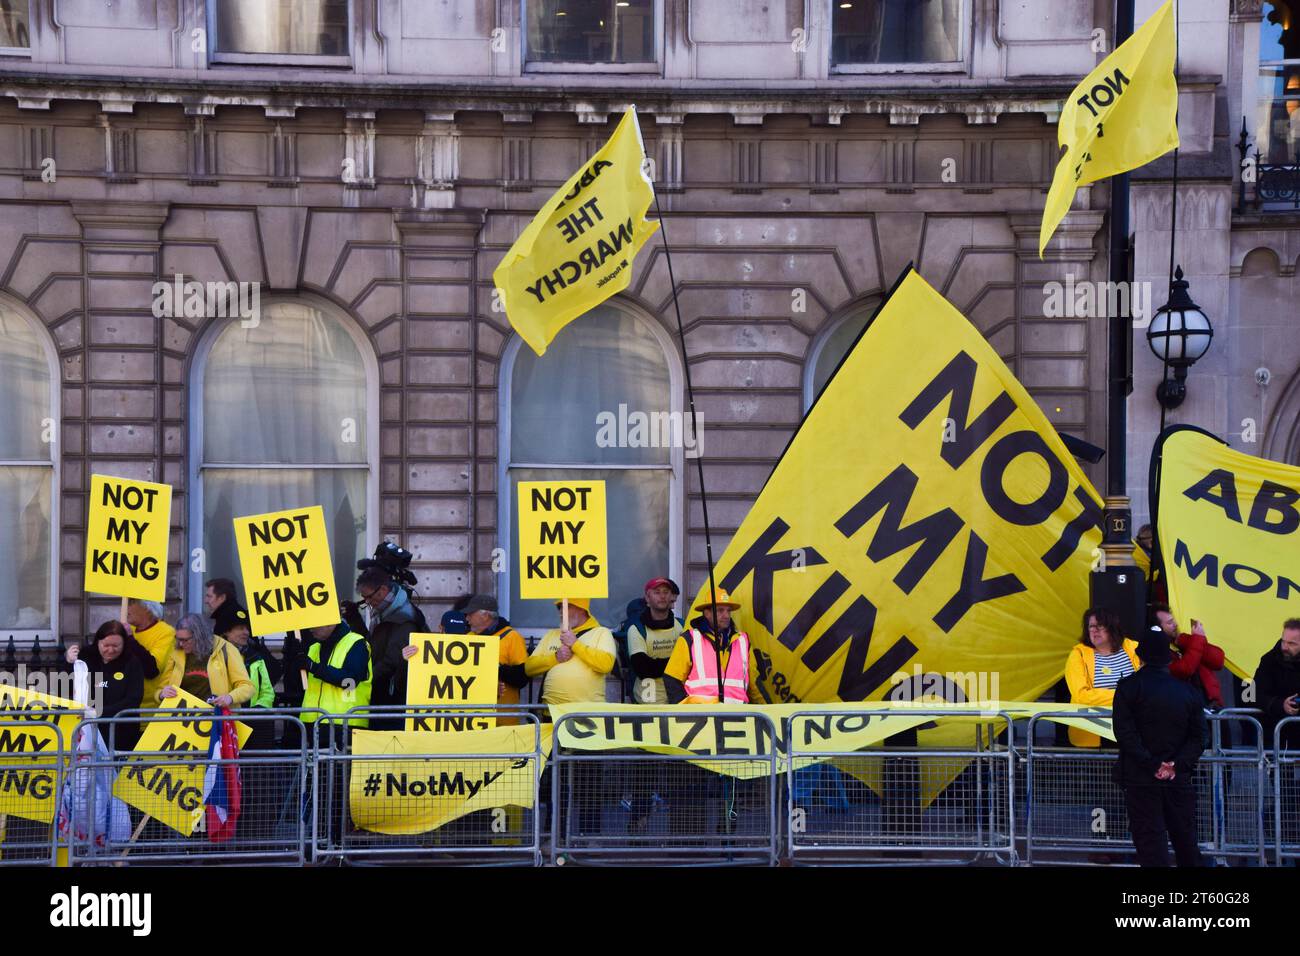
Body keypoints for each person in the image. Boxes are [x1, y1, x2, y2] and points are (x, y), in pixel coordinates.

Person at [1112, 630, 1207, 867]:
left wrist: (1152, 764)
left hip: (1140, 778)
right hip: (1178, 779)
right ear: (1168, 659)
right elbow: (1199, 738)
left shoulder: (1127, 688)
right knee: (1186, 842)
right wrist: (1176, 765)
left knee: (1150, 845)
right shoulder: (1189, 692)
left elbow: (1125, 734)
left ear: (1140, 657)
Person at [662, 588, 762, 705]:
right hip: (701, 719)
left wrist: (769, 712)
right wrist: (684, 713)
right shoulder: (690, 639)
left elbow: (754, 686)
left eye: (728, 611)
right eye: (720, 610)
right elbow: (672, 679)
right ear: (707, 613)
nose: (726, 615)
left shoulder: (743, 641)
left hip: (737, 717)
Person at [65, 620, 154, 751]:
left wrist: (99, 712)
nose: (111, 650)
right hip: (88, 731)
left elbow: (133, 699)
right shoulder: (86, 657)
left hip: (121, 734)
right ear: (98, 642)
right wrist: (68, 663)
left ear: (124, 644)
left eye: (116, 646)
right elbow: (67, 686)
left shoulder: (132, 662)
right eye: (106, 645)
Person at [1064, 607, 1141, 747]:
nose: (1093, 630)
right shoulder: (1078, 654)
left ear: (1112, 627)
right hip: (1095, 735)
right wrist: (1126, 696)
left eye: (1099, 626)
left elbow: (1147, 687)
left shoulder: (1134, 648)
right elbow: (1081, 696)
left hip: (1135, 732)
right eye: (1091, 626)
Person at [355, 567, 420, 729]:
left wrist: (365, 680)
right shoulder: (385, 612)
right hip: (384, 691)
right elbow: (373, 645)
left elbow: (392, 660)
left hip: (393, 697)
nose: (368, 602)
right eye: (364, 598)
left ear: (383, 590)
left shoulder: (404, 618)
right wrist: (354, 618)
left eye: (368, 597)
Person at [524, 597, 617, 705]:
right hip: (552, 712)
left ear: (582, 608)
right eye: (559, 607)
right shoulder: (551, 634)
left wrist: (575, 644)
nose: (561, 612)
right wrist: (555, 658)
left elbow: (606, 664)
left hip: (587, 713)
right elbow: (529, 668)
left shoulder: (601, 632)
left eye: (567, 607)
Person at [156, 613, 253, 709]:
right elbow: (160, 689)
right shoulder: (176, 653)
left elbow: (247, 687)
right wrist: (161, 694)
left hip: (217, 717)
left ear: (199, 637)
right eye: (178, 639)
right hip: (182, 719)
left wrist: (230, 698)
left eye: (185, 640)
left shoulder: (226, 649)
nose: (181, 644)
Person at [461, 594, 528, 724]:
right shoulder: (467, 637)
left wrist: (496, 668)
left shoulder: (512, 637)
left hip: (503, 721)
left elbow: (521, 678)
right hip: (472, 721)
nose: (467, 618)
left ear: (485, 615)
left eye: (470, 614)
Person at [1152, 604, 1225, 710]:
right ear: (1158, 628)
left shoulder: (1186, 642)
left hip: (1212, 706)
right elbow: (1184, 670)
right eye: (1169, 623)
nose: (1175, 624)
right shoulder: (1159, 651)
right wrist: (1197, 639)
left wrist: (1185, 640)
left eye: (1174, 620)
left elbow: (1218, 660)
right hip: (1186, 710)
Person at [627, 577, 684, 705]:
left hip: (677, 699)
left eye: (666, 592)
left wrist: (656, 664)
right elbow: (644, 669)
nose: (662, 596)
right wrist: (676, 663)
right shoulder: (637, 628)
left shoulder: (682, 625)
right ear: (647, 598)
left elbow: (691, 662)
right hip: (647, 702)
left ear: (671, 596)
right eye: (657, 592)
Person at [223, 616, 278, 749]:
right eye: (240, 628)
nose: (246, 632)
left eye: (247, 628)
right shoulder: (216, 657)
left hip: (253, 724)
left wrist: (259, 709)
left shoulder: (256, 658)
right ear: (227, 632)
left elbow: (268, 692)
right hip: (225, 721)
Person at [1253, 618, 1300, 752]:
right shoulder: (1269, 660)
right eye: (1283, 641)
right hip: (1275, 732)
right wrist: (1281, 704)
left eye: (1292, 643)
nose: (1285, 647)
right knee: (1280, 771)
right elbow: (1255, 694)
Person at [126, 599, 175, 708]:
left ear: (147, 608)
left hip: (150, 707)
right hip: (126, 705)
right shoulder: (128, 630)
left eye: (131, 603)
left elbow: (152, 670)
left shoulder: (166, 632)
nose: (125, 607)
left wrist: (130, 639)